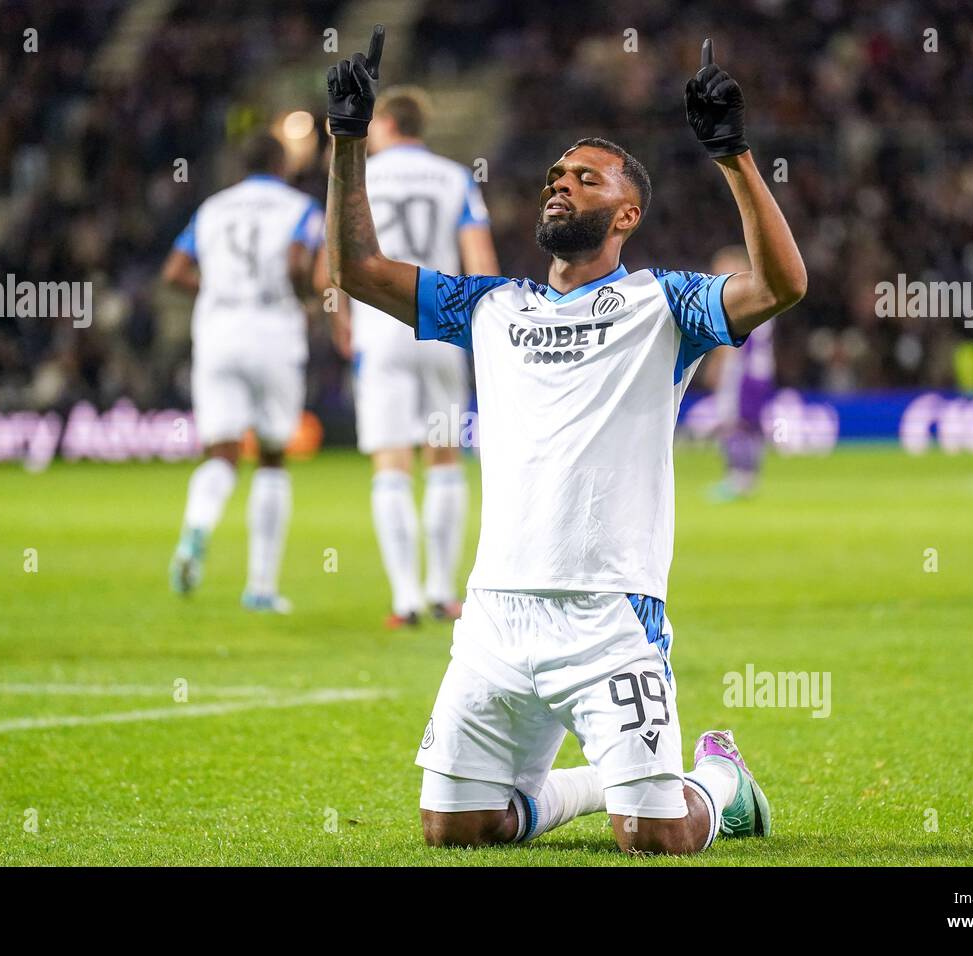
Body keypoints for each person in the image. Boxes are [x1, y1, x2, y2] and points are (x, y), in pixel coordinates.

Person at [325, 28, 806, 854]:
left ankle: (719, 778)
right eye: (555, 176)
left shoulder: (665, 304)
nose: (561, 186)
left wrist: (734, 157)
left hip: (609, 615)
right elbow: (358, 268)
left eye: (587, 179)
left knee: (657, 839)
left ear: (627, 214)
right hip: (495, 615)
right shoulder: (492, 305)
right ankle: (601, 785)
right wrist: (347, 143)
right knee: (457, 830)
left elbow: (781, 285)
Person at [321, 87, 500, 628]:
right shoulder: (454, 177)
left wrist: (341, 319)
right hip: (440, 324)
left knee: (391, 463)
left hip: (380, 326)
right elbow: (481, 263)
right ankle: (444, 592)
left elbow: (332, 259)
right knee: (443, 457)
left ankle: (404, 599)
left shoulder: (359, 175)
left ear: (384, 126)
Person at [163, 132, 322, 612]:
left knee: (221, 452)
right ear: (281, 163)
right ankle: (260, 587)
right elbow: (298, 262)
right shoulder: (300, 207)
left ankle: (196, 528)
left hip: (218, 334)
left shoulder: (212, 208)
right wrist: (304, 298)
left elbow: (174, 272)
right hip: (272, 332)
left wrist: (215, 288)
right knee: (272, 457)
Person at [703, 245, 777, 500]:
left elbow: (728, 342)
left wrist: (715, 368)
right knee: (750, 426)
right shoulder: (763, 293)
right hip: (760, 374)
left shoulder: (736, 297)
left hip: (739, 374)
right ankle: (748, 478)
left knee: (733, 424)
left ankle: (738, 478)